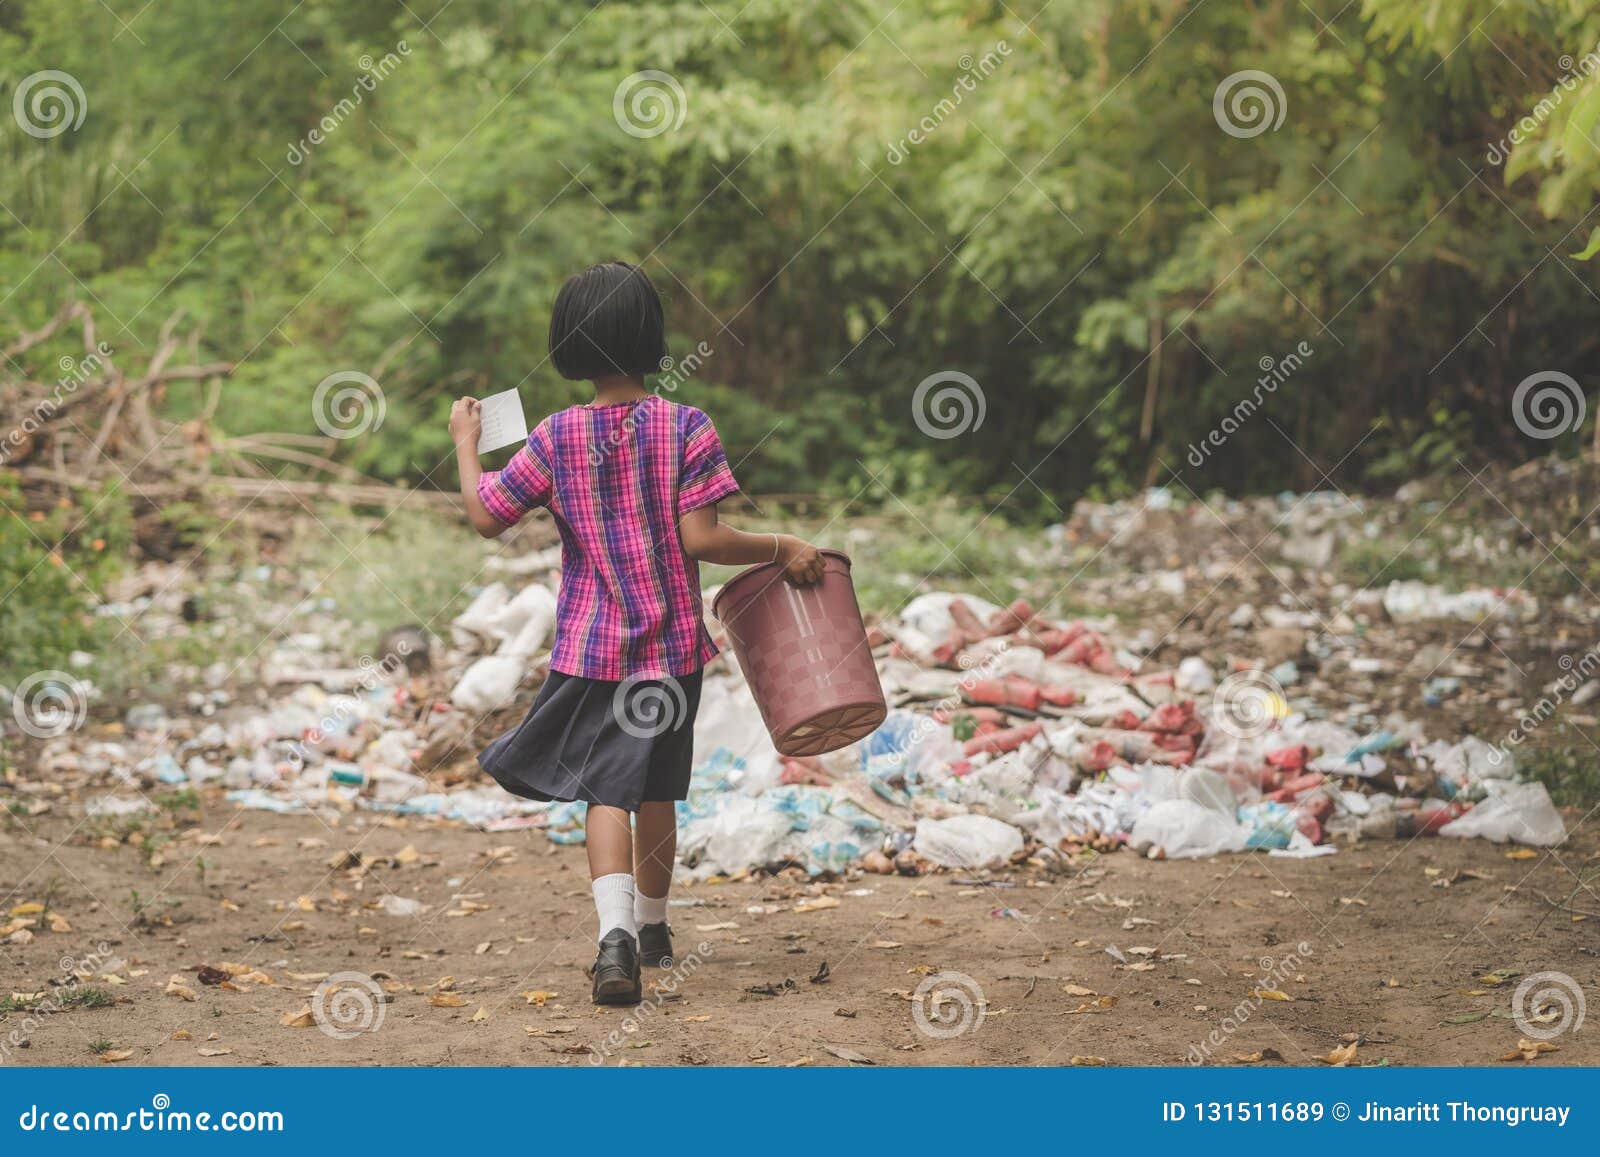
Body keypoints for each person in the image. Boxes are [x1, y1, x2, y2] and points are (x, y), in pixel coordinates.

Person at [448, 260, 823, 1005]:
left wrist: (466, 440)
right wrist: (781, 545)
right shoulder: (686, 426)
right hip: (672, 649)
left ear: (566, 344)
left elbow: (487, 516)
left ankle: (615, 939)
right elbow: (702, 538)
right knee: (656, 789)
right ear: (652, 337)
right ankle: (653, 928)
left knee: (604, 791)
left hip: (592, 650)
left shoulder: (555, 436)